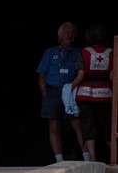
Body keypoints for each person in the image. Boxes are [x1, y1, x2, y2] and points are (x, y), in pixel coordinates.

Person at [36, 22, 86, 162]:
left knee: (78, 126)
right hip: (52, 93)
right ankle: (59, 161)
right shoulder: (50, 52)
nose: (69, 34)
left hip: (71, 93)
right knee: (54, 126)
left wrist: (72, 90)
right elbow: (42, 75)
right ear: (60, 35)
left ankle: (87, 158)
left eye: (72, 32)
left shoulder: (78, 52)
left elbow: (82, 74)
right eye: (67, 32)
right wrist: (45, 95)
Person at [75, 24, 114, 163]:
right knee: (107, 125)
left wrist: (70, 88)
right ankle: (114, 155)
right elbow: (112, 76)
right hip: (104, 93)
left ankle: (92, 157)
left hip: (85, 92)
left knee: (87, 124)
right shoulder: (111, 52)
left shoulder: (84, 52)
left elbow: (80, 75)